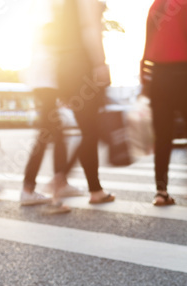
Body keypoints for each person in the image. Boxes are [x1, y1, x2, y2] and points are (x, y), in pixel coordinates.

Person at [142, 0, 187, 206]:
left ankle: (161, 191)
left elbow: (149, 39)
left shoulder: (157, 4)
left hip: (157, 75)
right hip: (182, 74)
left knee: (162, 135)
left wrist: (144, 73)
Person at [52, 0, 115, 206]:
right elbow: (89, 27)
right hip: (82, 66)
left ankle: (91, 188)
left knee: (88, 130)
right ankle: (63, 180)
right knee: (90, 131)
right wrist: (100, 63)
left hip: (65, 66)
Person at [19, 6, 81, 214]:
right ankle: (33, 189)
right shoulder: (56, 21)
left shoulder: (48, 20)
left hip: (43, 83)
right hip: (47, 84)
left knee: (52, 134)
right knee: (47, 135)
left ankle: (53, 184)